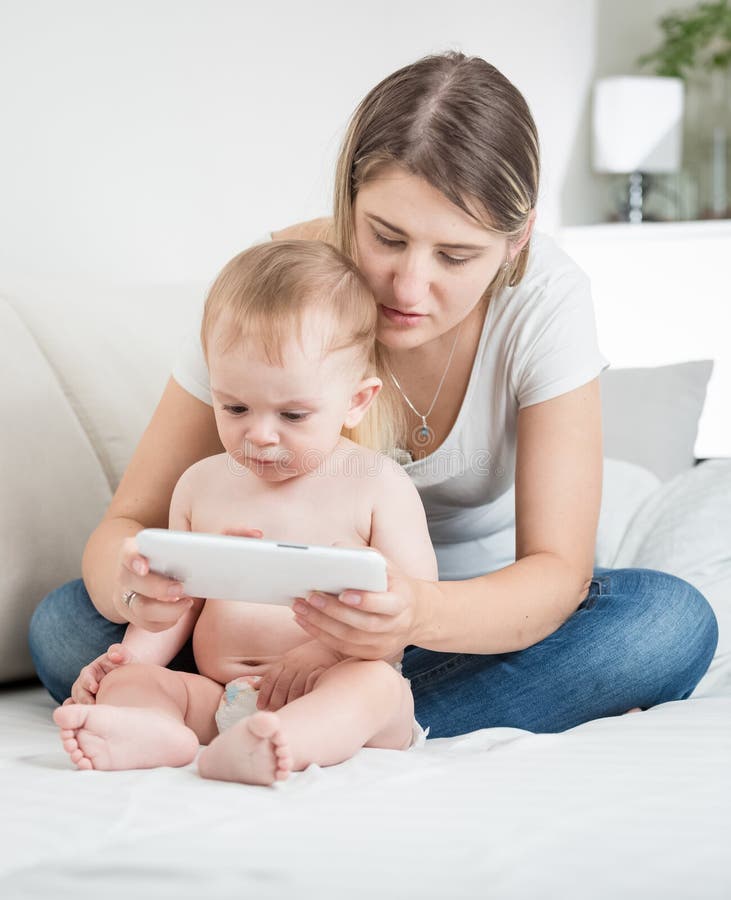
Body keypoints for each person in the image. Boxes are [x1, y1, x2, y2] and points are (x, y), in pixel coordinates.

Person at [31, 51, 718, 737]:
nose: (407, 287)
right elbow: (127, 525)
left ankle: (269, 715)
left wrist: (413, 613)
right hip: (265, 631)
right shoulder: (273, 290)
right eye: (386, 237)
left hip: (463, 623)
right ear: (347, 200)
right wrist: (141, 589)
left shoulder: (545, 303)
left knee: (665, 622)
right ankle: (330, 719)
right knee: (65, 625)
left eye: (455, 256)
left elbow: (556, 572)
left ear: (517, 241)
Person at [53, 240, 437, 784]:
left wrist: (328, 648)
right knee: (132, 683)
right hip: (218, 695)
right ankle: (153, 730)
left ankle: (290, 742)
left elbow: (414, 609)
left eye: (294, 414)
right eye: (234, 407)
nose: (259, 434)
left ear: (356, 401)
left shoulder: (378, 485)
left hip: (331, 682)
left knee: (375, 688)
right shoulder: (201, 485)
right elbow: (177, 607)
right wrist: (129, 657)